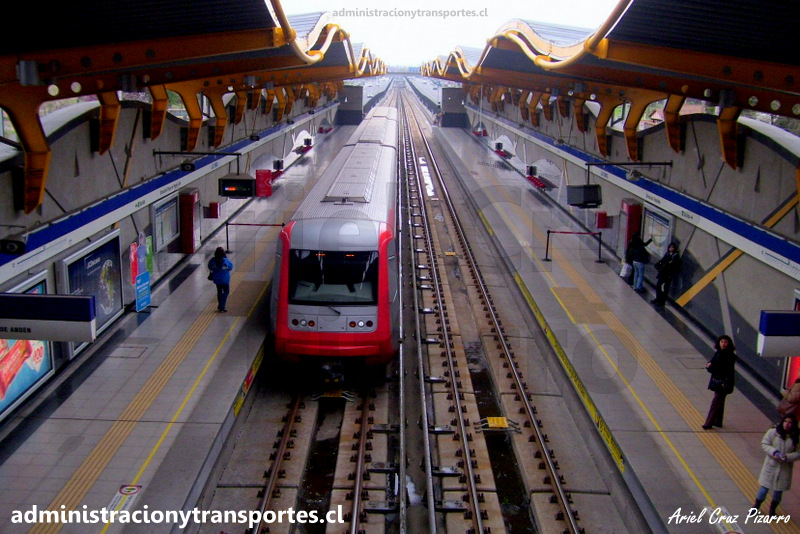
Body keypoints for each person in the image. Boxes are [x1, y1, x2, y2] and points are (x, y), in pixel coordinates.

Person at [753, 414, 800, 516]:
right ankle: (756, 507)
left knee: (778, 492)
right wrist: (774, 452)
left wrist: (787, 457)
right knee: (764, 489)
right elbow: (765, 444)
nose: (787, 424)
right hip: (771, 465)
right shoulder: (773, 432)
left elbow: (798, 452)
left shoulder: (796, 437)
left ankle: (772, 510)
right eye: (785, 421)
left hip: (784, 468)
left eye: (790, 423)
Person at [702, 335, 736, 429]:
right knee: (719, 402)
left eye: (725, 342)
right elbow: (713, 363)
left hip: (723, 383)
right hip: (722, 382)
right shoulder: (719, 353)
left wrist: (710, 366)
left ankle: (708, 423)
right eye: (722, 342)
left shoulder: (727, 355)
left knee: (715, 402)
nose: (723, 344)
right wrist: (711, 365)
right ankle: (718, 421)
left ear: (728, 344)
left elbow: (718, 367)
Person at [208, 247, 233, 312]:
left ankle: (220, 305)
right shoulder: (226, 260)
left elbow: (209, 267)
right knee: (226, 292)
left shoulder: (213, 260)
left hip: (217, 279)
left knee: (219, 291)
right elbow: (230, 267)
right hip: (225, 279)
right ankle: (222, 305)